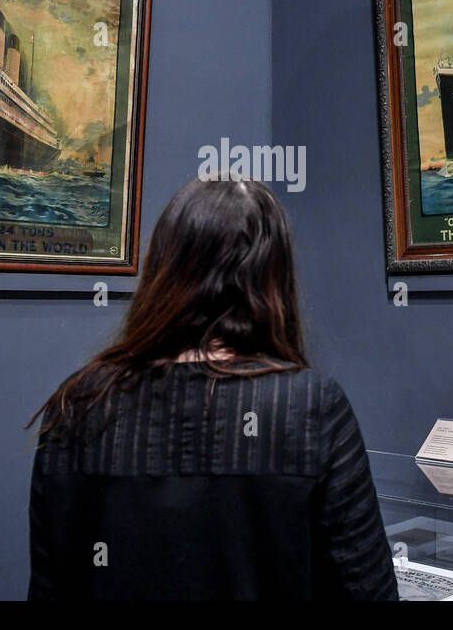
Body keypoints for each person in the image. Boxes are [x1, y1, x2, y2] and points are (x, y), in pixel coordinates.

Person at [26, 177, 398, 600]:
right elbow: (366, 589)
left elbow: (50, 588)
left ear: (164, 267)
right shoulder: (311, 405)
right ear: (274, 277)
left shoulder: (79, 402)